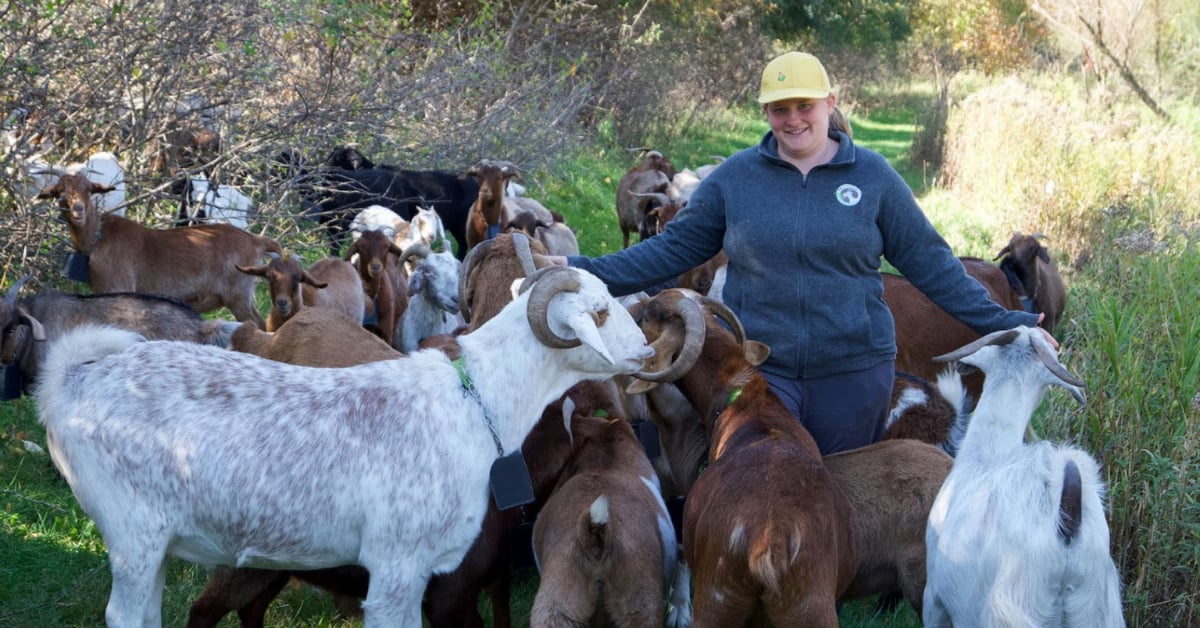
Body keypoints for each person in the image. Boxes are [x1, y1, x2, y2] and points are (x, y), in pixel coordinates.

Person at [550, 51, 1055, 455]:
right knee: (760, 486)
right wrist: (574, 268)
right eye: (780, 108)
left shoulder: (873, 177)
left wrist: (1010, 323)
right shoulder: (736, 180)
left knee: (837, 504)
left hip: (854, 373)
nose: (793, 120)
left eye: (804, 106)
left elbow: (933, 265)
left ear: (830, 103)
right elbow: (667, 253)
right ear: (765, 112)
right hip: (763, 370)